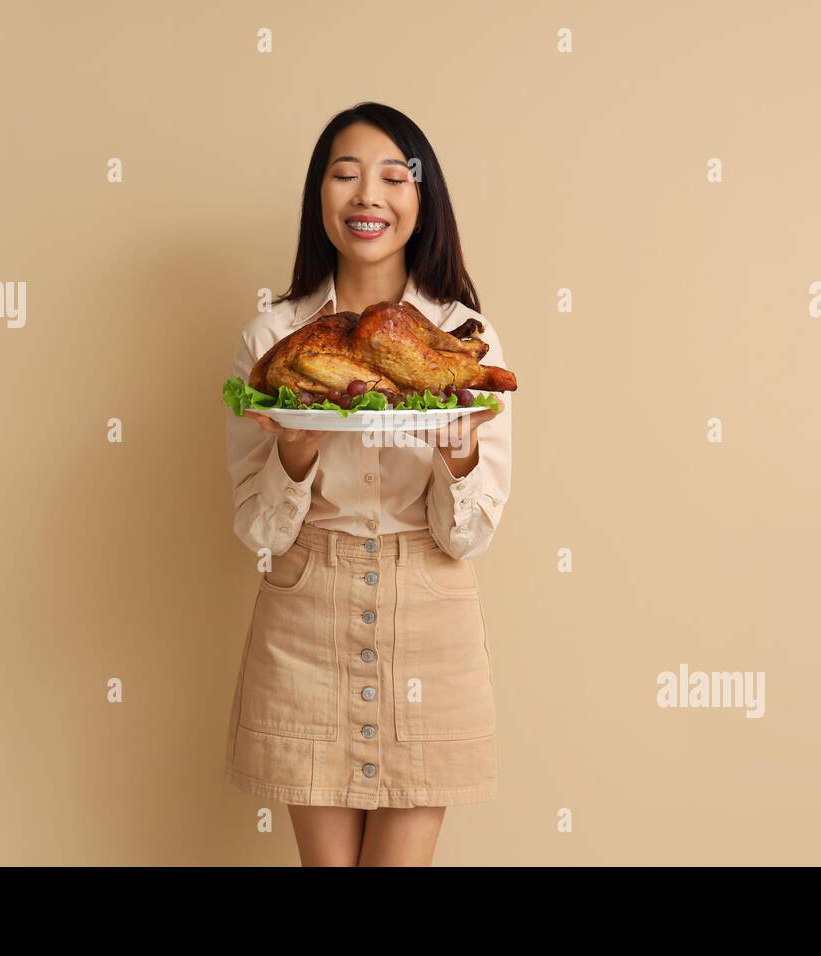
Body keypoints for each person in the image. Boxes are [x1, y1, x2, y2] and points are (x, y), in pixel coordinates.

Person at [223, 102, 514, 866]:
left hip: (429, 617)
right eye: (344, 175)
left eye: (394, 175)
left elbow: (469, 535)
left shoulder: (462, 338)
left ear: (423, 200)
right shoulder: (274, 336)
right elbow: (256, 532)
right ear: (320, 197)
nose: (367, 196)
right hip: (304, 615)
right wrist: (295, 454)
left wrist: (458, 459)